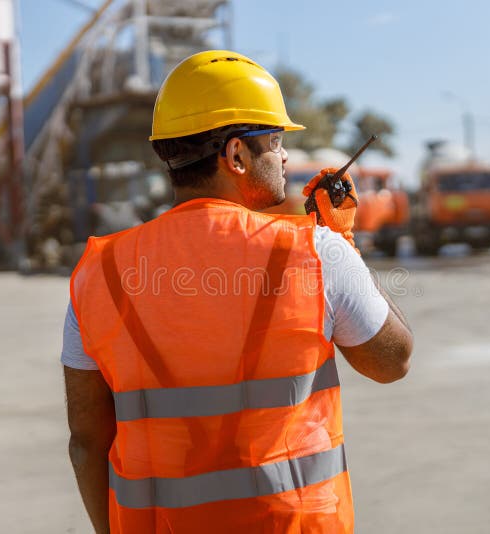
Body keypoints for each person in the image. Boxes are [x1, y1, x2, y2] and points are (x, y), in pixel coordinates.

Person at [61, 50, 413, 533]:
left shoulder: (98, 271)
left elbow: (85, 441)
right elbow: (392, 362)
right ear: (236, 155)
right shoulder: (315, 251)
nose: (285, 154)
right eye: (275, 139)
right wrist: (344, 243)